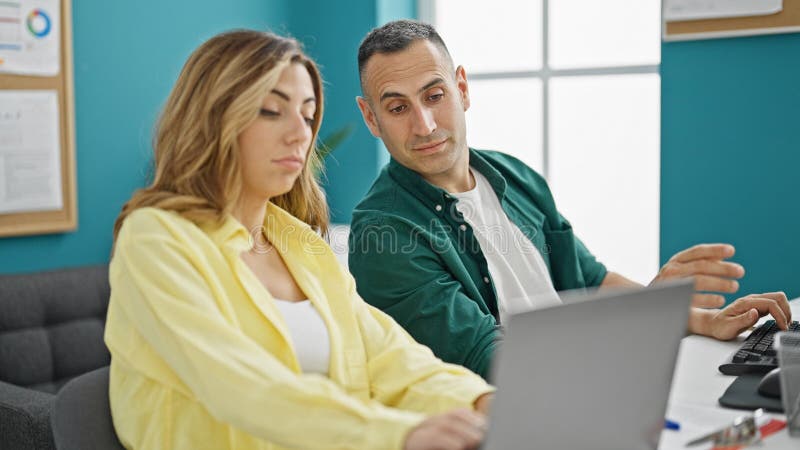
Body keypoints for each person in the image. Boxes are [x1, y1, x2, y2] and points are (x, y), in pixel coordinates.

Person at [106, 29, 494, 450]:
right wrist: (400, 433)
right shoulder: (154, 240)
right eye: (272, 111)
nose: (300, 134)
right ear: (213, 118)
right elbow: (243, 385)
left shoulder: (301, 244)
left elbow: (390, 357)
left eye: (308, 116)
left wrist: (480, 400)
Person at [348, 20, 792, 379]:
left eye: (435, 95)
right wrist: (645, 320)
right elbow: (490, 359)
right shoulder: (383, 232)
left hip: (587, 380)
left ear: (462, 89)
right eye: (398, 107)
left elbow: (590, 280)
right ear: (371, 118)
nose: (425, 125)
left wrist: (698, 317)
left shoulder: (513, 176)